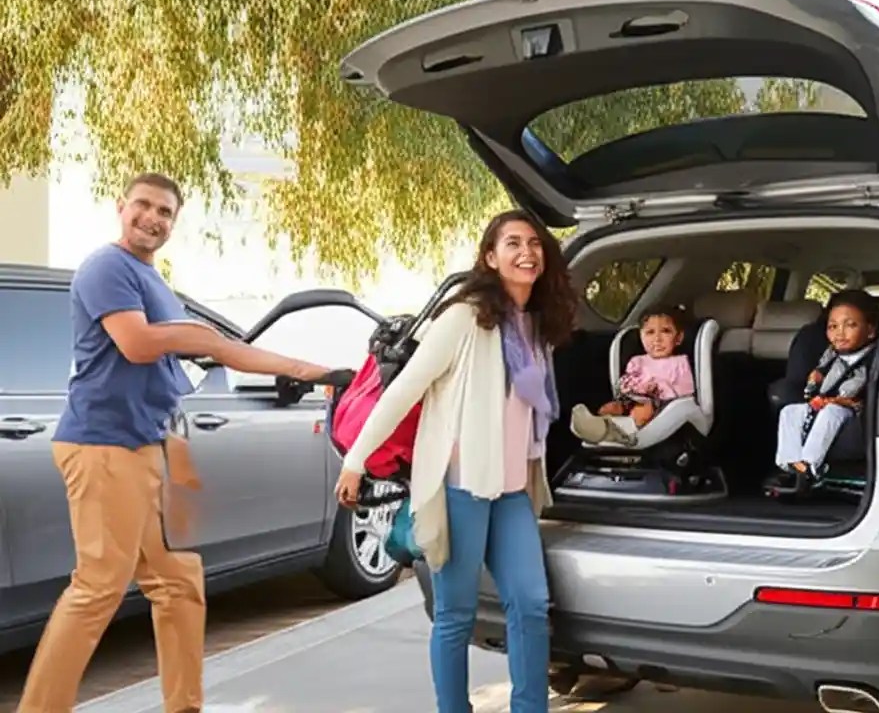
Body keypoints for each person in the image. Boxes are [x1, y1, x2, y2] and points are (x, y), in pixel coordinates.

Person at [18, 173, 339, 713]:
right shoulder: (107, 268)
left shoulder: (153, 281)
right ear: (121, 207)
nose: (153, 218)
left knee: (177, 580)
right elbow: (139, 344)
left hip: (142, 446)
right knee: (98, 586)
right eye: (143, 205)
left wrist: (315, 370)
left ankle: (183, 706)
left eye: (165, 212)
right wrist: (197, 337)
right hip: (103, 446)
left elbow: (226, 350)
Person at [332, 209, 577, 713]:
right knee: (455, 615)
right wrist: (355, 459)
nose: (526, 252)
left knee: (530, 605)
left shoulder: (537, 326)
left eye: (534, 243)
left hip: (512, 491)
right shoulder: (464, 316)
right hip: (459, 488)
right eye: (512, 243)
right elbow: (404, 390)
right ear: (490, 256)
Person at [775, 289, 879, 493]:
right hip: (823, 404)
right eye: (833, 327)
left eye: (850, 325)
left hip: (853, 413)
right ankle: (790, 463)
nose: (839, 333)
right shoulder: (831, 354)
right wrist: (815, 380)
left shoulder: (872, 358)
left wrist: (833, 402)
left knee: (832, 412)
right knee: (790, 411)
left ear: (870, 331)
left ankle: (812, 465)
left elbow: (859, 396)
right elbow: (819, 375)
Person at [569, 304, 695, 445]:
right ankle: (598, 427)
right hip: (633, 400)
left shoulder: (680, 363)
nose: (657, 339)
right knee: (611, 408)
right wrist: (632, 389)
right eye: (650, 332)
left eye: (666, 331)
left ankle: (616, 433)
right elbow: (626, 382)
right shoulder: (637, 361)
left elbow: (686, 394)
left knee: (643, 413)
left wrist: (659, 389)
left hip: (661, 407)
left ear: (678, 338)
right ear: (641, 336)